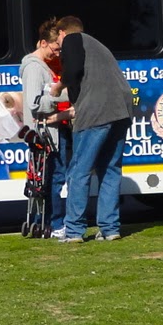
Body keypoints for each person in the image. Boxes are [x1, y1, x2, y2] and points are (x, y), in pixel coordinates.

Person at [48, 16, 133, 243]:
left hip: (97, 111)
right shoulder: (98, 46)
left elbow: (73, 71)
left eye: (57, 39)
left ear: (63, 32)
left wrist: (58, 86)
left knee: (79, 170)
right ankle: (110, 229)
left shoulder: (73, 39)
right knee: (110, 169)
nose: (58, 46)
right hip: (122, 109)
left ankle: (74, 231)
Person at [19, 18, 74, 237]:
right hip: (46, 133)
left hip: (46, 131)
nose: (58, 53)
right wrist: (58, 96)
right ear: (42, 43)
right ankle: (55, 223)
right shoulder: (34, 67)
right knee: (54, 178)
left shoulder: (40, 66)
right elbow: (34, 103)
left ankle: (44, 221)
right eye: (55, 48)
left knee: (46, 179)